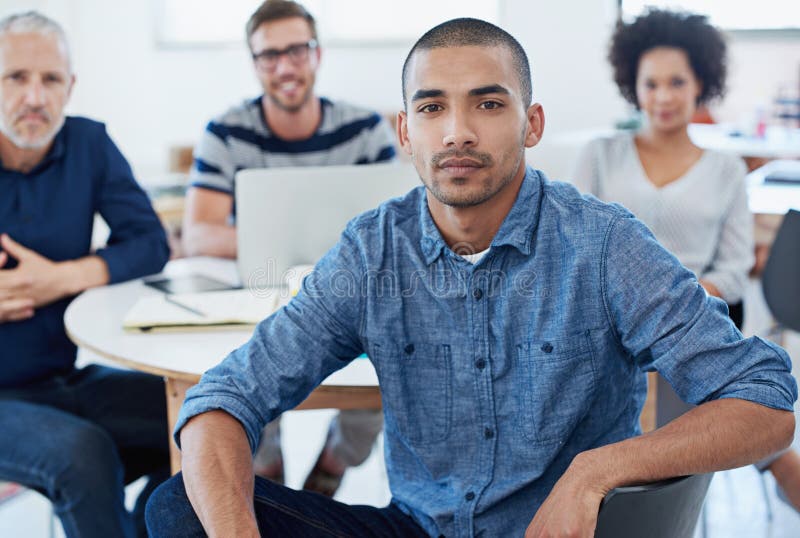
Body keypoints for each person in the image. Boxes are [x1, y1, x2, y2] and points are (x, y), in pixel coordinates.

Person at [146, 17, 796, 537]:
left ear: (531, 122)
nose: (457, 132)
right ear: (405, 131)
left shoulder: (603, 244)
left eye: (487, 103)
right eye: (431, 109)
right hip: (419, 527)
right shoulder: (373, 251)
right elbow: (224, 398)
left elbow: (765, 402)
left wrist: (596, 472)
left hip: (563, 529)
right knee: (177, 505)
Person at [571, 8, 800, 513]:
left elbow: (735, 273)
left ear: (702, 84)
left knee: (743, 402)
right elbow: (576, 253)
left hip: (691, 321)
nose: (664, 96)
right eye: (650, 84)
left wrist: (674, 305)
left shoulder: (725, 170)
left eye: (677, 82)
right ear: (634, 87)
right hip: (609, 327)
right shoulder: (600, 155)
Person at [181, 0, 394, 496]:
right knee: (242, 371)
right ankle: (267, 476)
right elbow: (199, 233)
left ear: (316, 55)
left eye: (297, 50)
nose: (285, 66)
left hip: (348, 297)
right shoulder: (225, 132)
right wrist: (289, 248)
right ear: (254, 64)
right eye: (269, 56)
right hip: (261, 291)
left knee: (396, 357)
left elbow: (396, 231)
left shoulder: (364, 131)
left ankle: (334, 465)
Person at [0, 11, 171, 538]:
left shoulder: (89, 144)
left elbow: (150, 243)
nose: (35, 97)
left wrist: (62, 277)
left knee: (207, 415)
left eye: (50, 79)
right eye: (16, 78)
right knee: (85, 456)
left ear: (70, 87)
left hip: (64, 380)